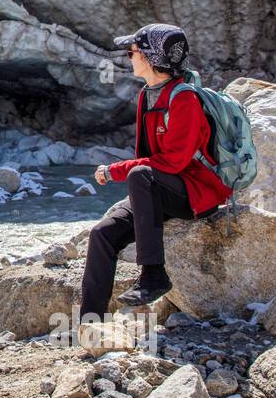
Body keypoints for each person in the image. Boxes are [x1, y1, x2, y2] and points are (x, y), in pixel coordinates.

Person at [80, 23, 233, 316]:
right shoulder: (148, 96)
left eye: (132, 52)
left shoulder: (184, 98)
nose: (129, 57)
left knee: (140, 175)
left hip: (196, 194)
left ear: (151, 58)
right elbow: (152, 158)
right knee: (102, 234)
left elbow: (173, 161)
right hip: (162, 189)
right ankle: (90, 321)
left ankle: (154, 275)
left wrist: (116, 170)